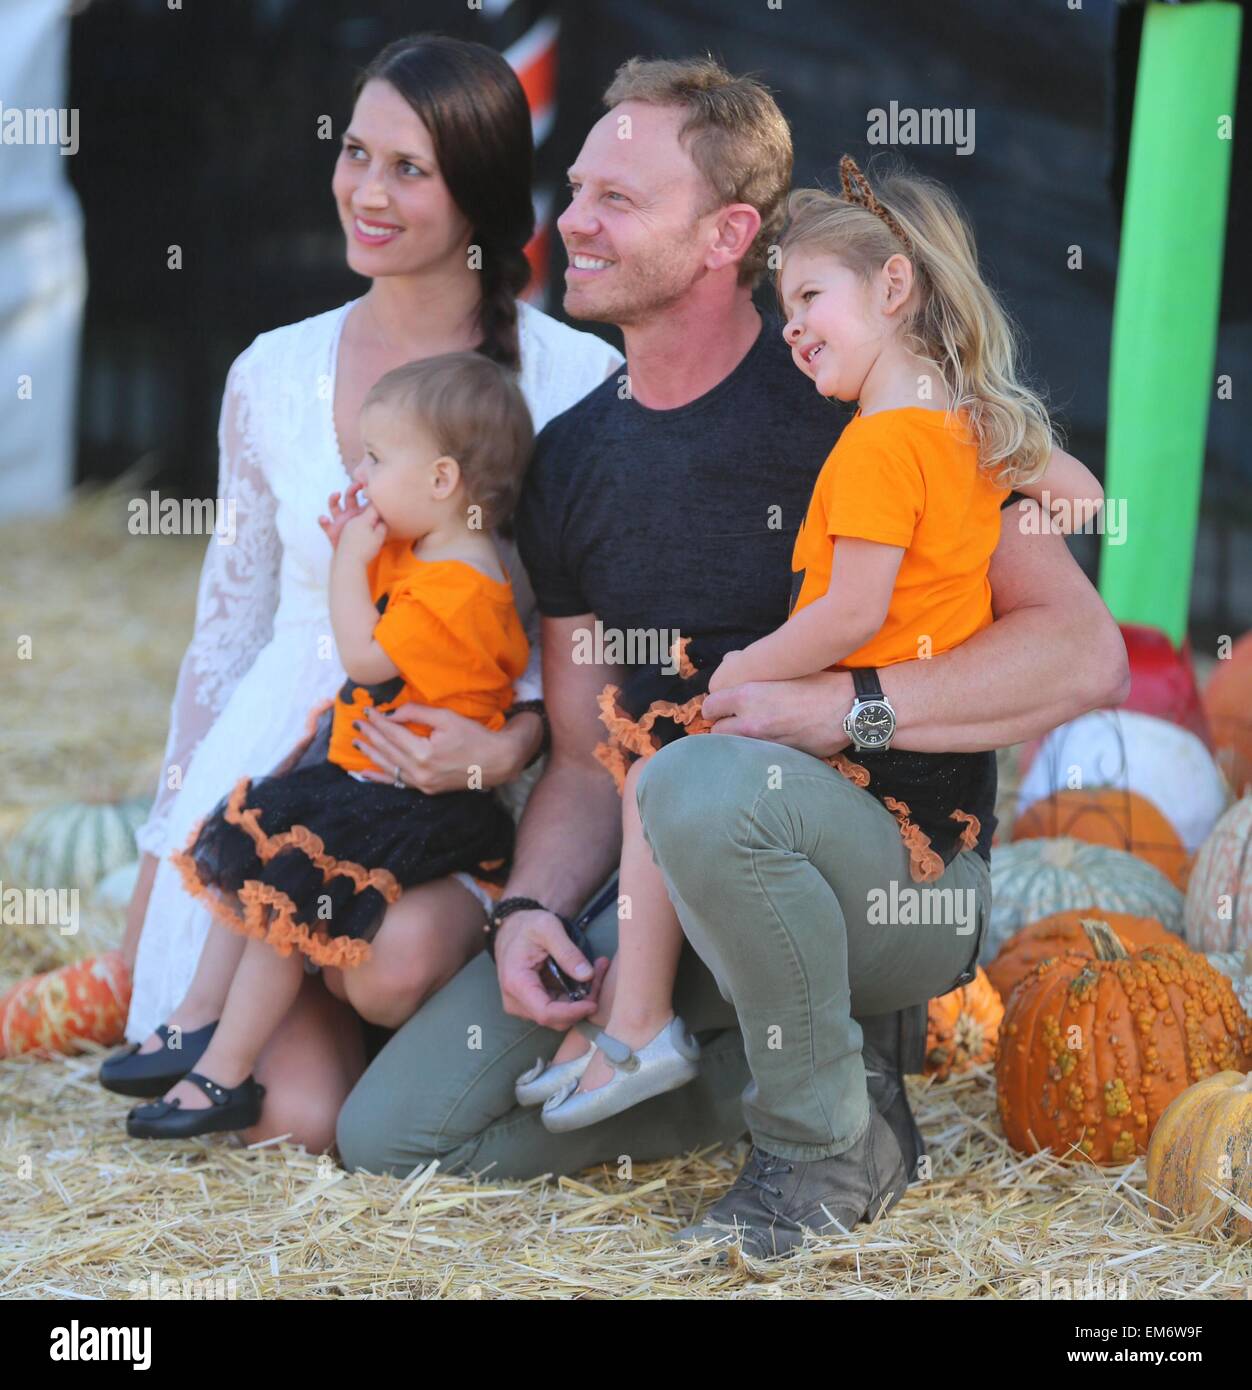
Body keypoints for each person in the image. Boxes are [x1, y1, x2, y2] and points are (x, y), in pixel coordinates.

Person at [334, 58, 1127, 1257]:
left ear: (727, 235)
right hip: (669, 882)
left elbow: (1082, 657)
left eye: (618, 199)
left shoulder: (860, 397)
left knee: (704, 774)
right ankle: (811, 1079)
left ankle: (817, 1142)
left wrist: (844, 707)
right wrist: (532, 910)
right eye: (576, 187)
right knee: (392, 1139)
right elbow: (588, 754)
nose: (573, 221)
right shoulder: (573, 461)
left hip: (892, 883)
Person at [95, 34, 622, 1152]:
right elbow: (219, 651)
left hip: (448, 786)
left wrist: (505, 746)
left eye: (408, 170)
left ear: (477, 196)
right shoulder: (270, 372)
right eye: (354, 153)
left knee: (387, 967)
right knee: (297, 1124)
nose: (364, 192)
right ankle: (286, 1031)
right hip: (273, 773)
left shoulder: (575, 382)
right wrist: (156, 874)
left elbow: (582, 656)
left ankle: (408, 1033)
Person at [531, 154, 1105, 1132]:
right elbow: (1087, 501)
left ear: (893, 287)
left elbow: (850, 610)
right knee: (660, 781)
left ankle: (649, 1031)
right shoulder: (957, 430)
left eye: (809, 297)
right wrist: (998, 438)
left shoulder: (877, 445)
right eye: (784, 302)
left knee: (663, 774)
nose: (792, 324)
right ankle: (652, 1032)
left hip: (867, 776)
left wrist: (752, 666)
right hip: (922, 790)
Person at [118, 354, 533, 1139]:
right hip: (368, 786)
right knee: (255, 849)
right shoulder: (432, 552)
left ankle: (223, 1074)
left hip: (411, 805)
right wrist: (362, 536)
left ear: (442, 481)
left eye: (376, 460)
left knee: (291, 896)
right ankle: (199, 1021)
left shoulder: (465, 587)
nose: (361, 473)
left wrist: (347, 558)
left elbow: (366, 657)